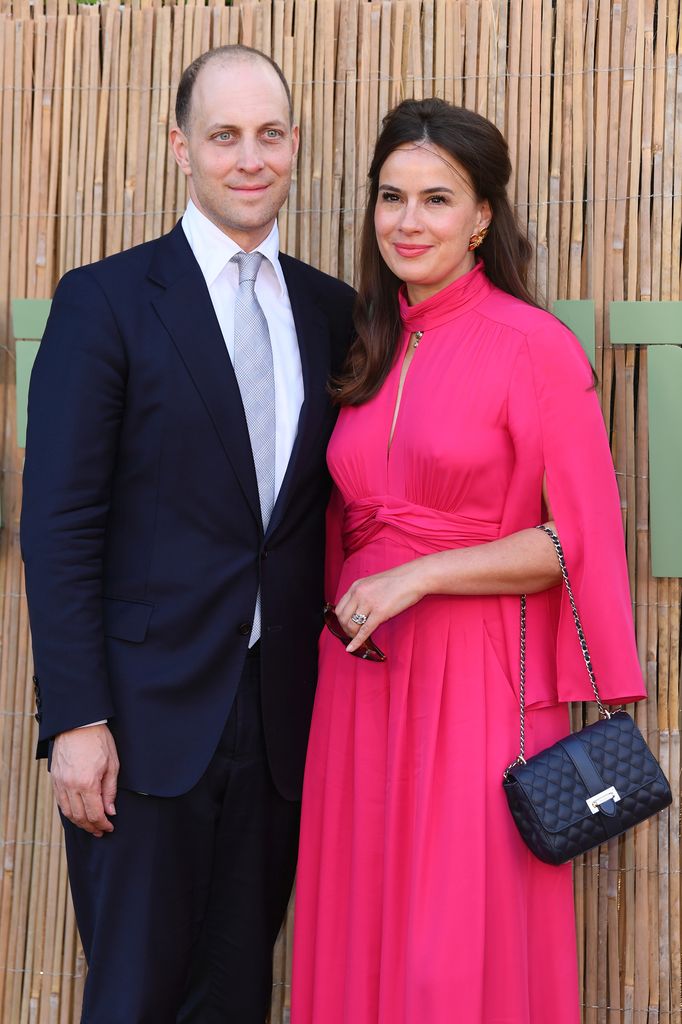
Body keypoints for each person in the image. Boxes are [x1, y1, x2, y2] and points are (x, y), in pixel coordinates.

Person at [291, 98, 647, 1024]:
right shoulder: (365, 347)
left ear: (484, 214)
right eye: (391, 197)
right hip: (360, 684)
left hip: (476, 685)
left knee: (453, 941)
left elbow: (575, 542)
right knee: (360, 919)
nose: (408, 222)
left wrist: (417, 575)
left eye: (437, 199)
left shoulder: (535, 348)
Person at [20, 44, 354, 1024]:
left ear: (292, 144)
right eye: (224, 136)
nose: (249, 158)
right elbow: (61, 523)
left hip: (280, 723)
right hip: (140, 728)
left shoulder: (328, 309)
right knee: (134, 998)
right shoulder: (107, 301)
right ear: (181, 146)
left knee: (236, 995)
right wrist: (76, 720)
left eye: (269, 135)